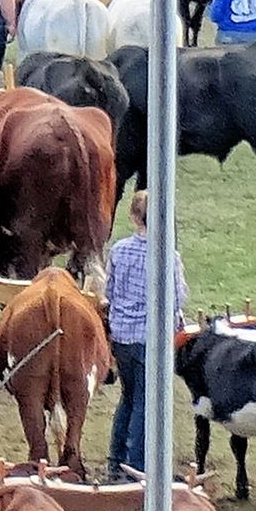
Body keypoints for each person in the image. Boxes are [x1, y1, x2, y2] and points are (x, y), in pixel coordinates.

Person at [104, 190, 188, 479]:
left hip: (122, 337)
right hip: (149, 340)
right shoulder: (167, 255)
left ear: (133, 216)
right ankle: (136, 468)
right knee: (144, 402)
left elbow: (110, 292)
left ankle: (116, 460)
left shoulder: (118, 250)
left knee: (127, 398)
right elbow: (177, 299)